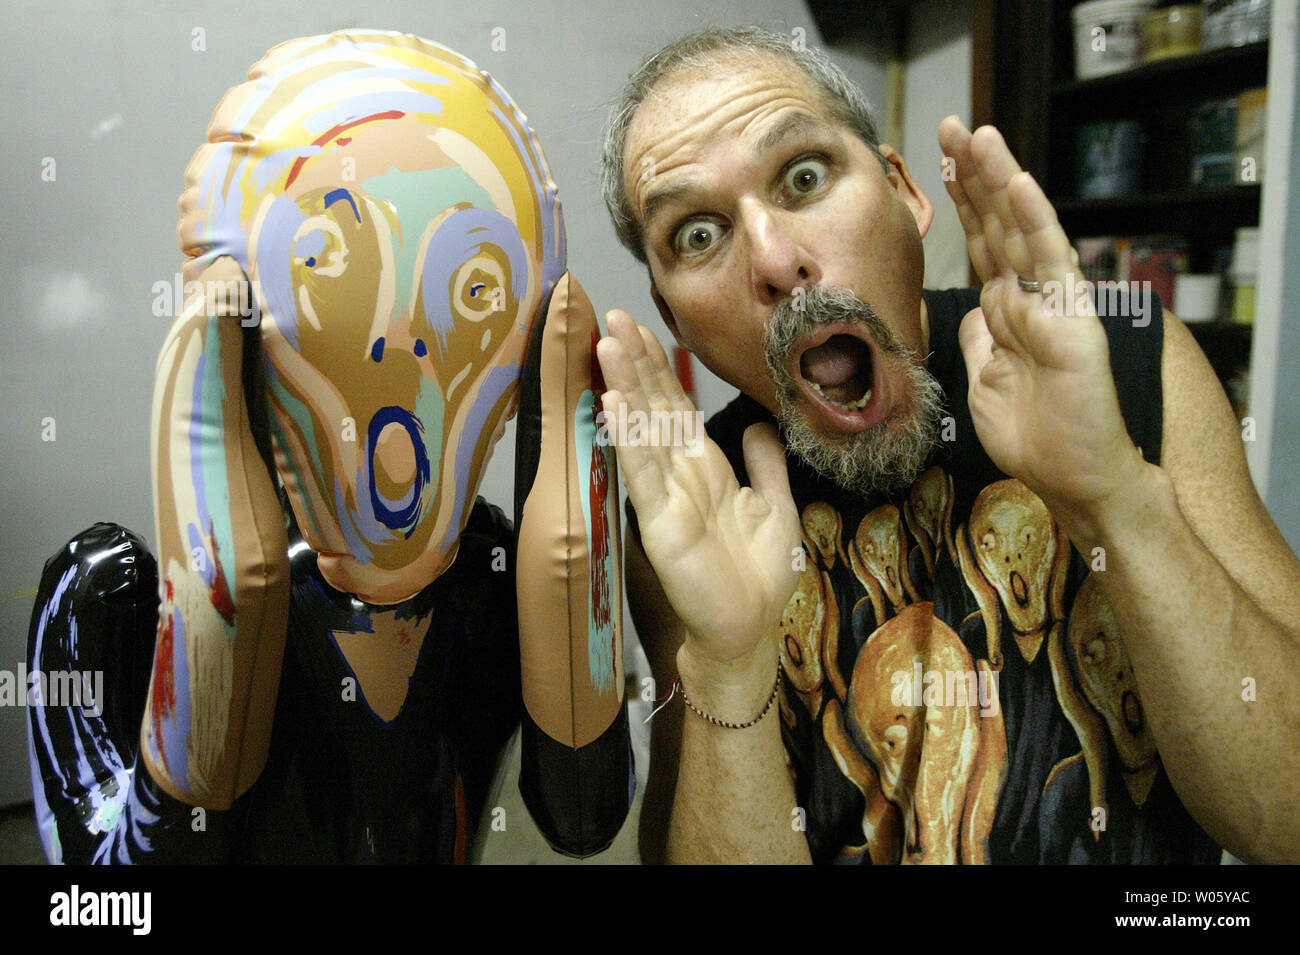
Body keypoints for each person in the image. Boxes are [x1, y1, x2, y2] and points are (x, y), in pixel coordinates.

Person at [594, 26, 1300, 864]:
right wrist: (726, 664)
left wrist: (1116, 498)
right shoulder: (693, 515)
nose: (776, 260)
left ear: (905, 193)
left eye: (805, 177)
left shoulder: (1131, 368)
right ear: (675, 320)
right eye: (699, 235)